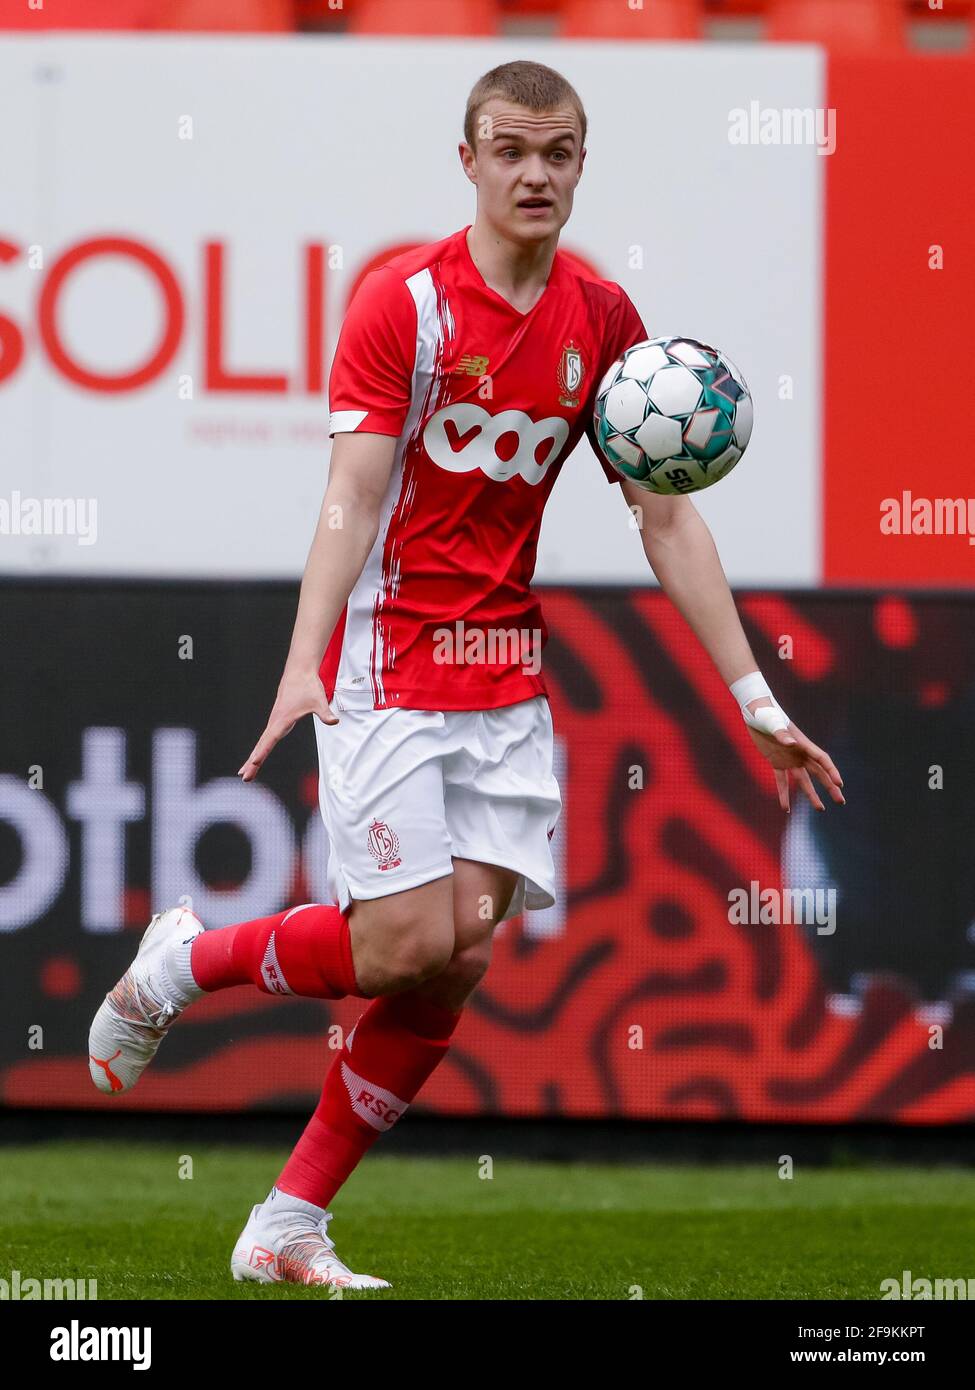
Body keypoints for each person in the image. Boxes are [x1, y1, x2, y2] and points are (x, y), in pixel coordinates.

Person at [87, 59, 845, 1291]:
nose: (535, 173)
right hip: (389, 665)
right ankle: (179, 965)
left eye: (558, 153)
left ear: (582, 163)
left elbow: (665, 521)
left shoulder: (603, 320)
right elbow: (350, 499)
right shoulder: (407, 305)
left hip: (506, 683)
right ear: (470, 160)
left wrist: (756, 699)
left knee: (461, 955)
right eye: (511, 150)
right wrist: (301, 659)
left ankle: (286, 1224)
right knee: (395, 948)